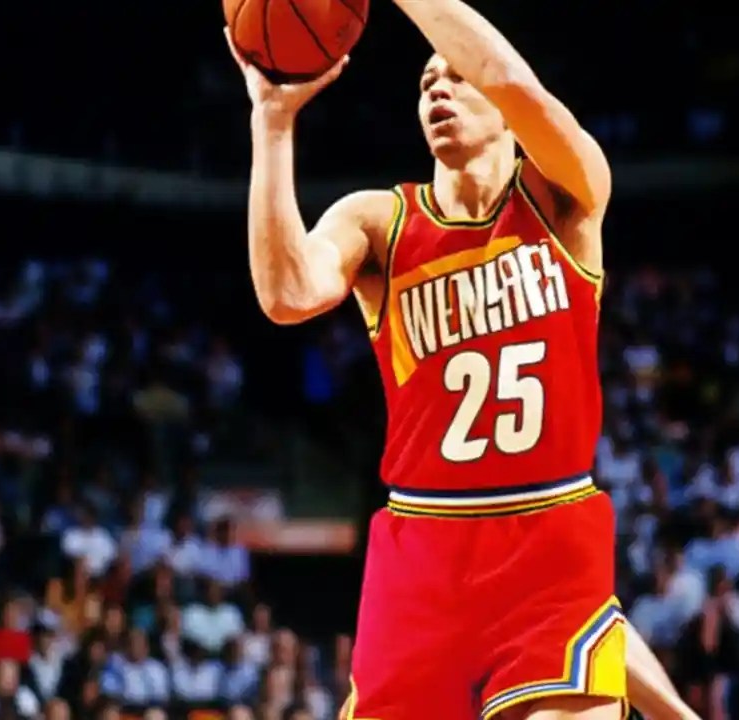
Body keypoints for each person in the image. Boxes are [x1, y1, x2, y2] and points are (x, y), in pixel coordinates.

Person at [224, 0, 701, 717]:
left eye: (456, 76)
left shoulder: (565, 198)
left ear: (504, 112)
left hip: (548, 533)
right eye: (423, 83)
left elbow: (511, 77)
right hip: (422, 553)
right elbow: (286, 294)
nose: (437, 89)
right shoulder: (380, 221)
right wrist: (273, 123)